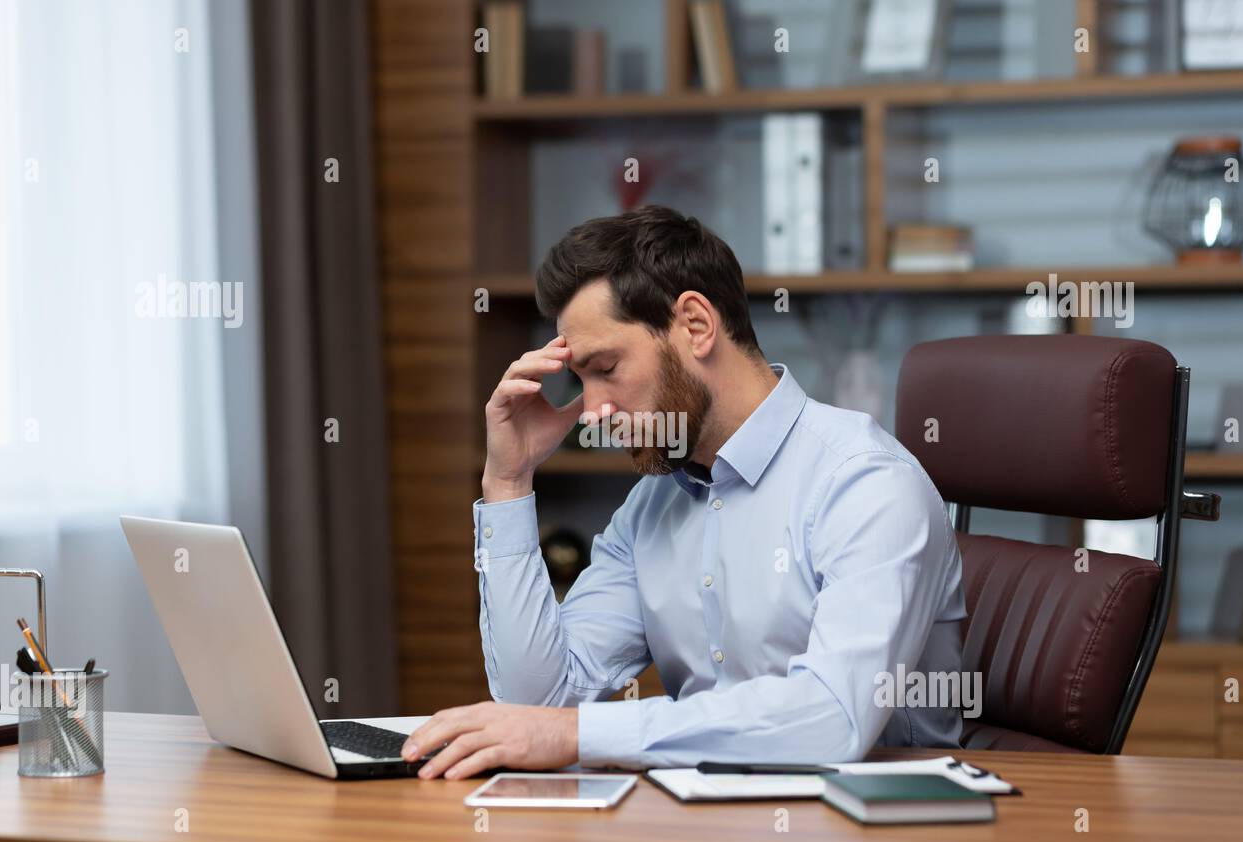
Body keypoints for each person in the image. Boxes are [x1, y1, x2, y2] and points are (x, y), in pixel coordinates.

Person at [402, 204, 967, 779]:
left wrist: (578, 735)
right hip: (704, 824)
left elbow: (831, 718)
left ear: (696, 325)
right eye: (583, 381)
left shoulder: (865, 482)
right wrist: (508, 481)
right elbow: (540, 702)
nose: (593, 412)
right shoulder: (653, 505)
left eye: (607, 367)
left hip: (874, 832)